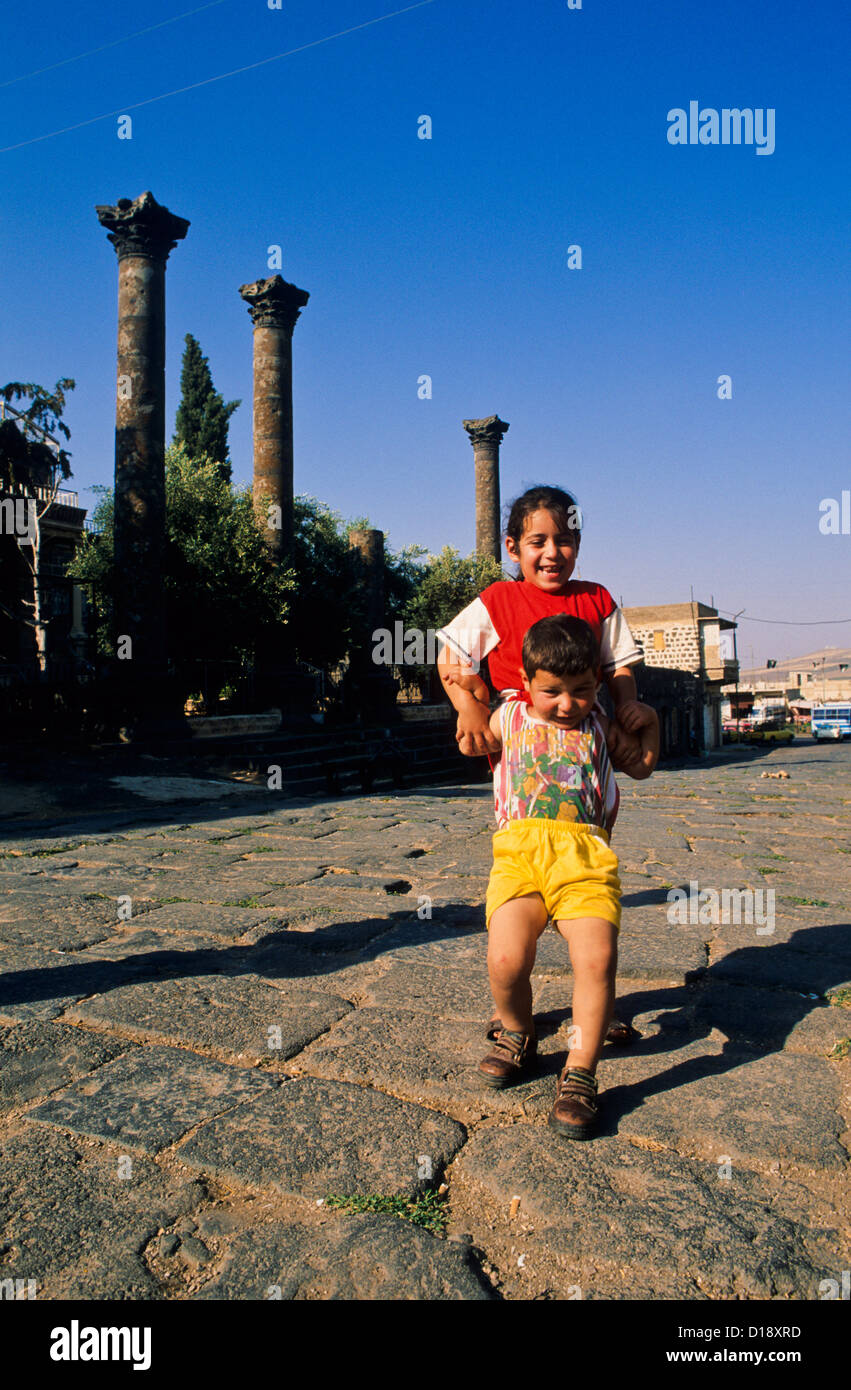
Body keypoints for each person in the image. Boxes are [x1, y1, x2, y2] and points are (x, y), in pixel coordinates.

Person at [436, 482, 649, 1042]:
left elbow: (620, 665)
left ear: (579, 544)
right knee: (527, 878)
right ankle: (518, 1019)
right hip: (522, 745)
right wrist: (470, 709)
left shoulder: (598, 599)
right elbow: (453, 658)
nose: (552, 552)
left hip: (582, 744)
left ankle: (592, 991)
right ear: (513, 547)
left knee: (586, 861)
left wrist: (626, 709)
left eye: (565, 540)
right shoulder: (499, 601)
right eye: (537, 541)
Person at [476, 614, 659, 1139]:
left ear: (597, 684)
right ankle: (517, 1032)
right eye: (552, 691)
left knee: (597, 959)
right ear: (526, 682)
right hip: (520, 858)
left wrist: (647, 719)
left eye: (581, 690)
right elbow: (473, 735)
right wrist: (466, 707)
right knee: (506, 957)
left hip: (586, 863)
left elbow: (643, 765)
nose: (566, 703)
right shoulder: (508, 716)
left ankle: (580, 1072)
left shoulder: (602, 722)